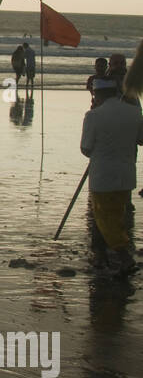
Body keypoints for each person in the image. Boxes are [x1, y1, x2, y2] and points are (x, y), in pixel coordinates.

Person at [81, 77, 143, 275]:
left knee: (104, 219)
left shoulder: (93, 116)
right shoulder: (134, 112)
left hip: (102, 177)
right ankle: (100, 256)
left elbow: (86, 148)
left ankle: (124, 257)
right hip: (126, 176)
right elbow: (141, 140)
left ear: (97, 94)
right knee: (114, 217)